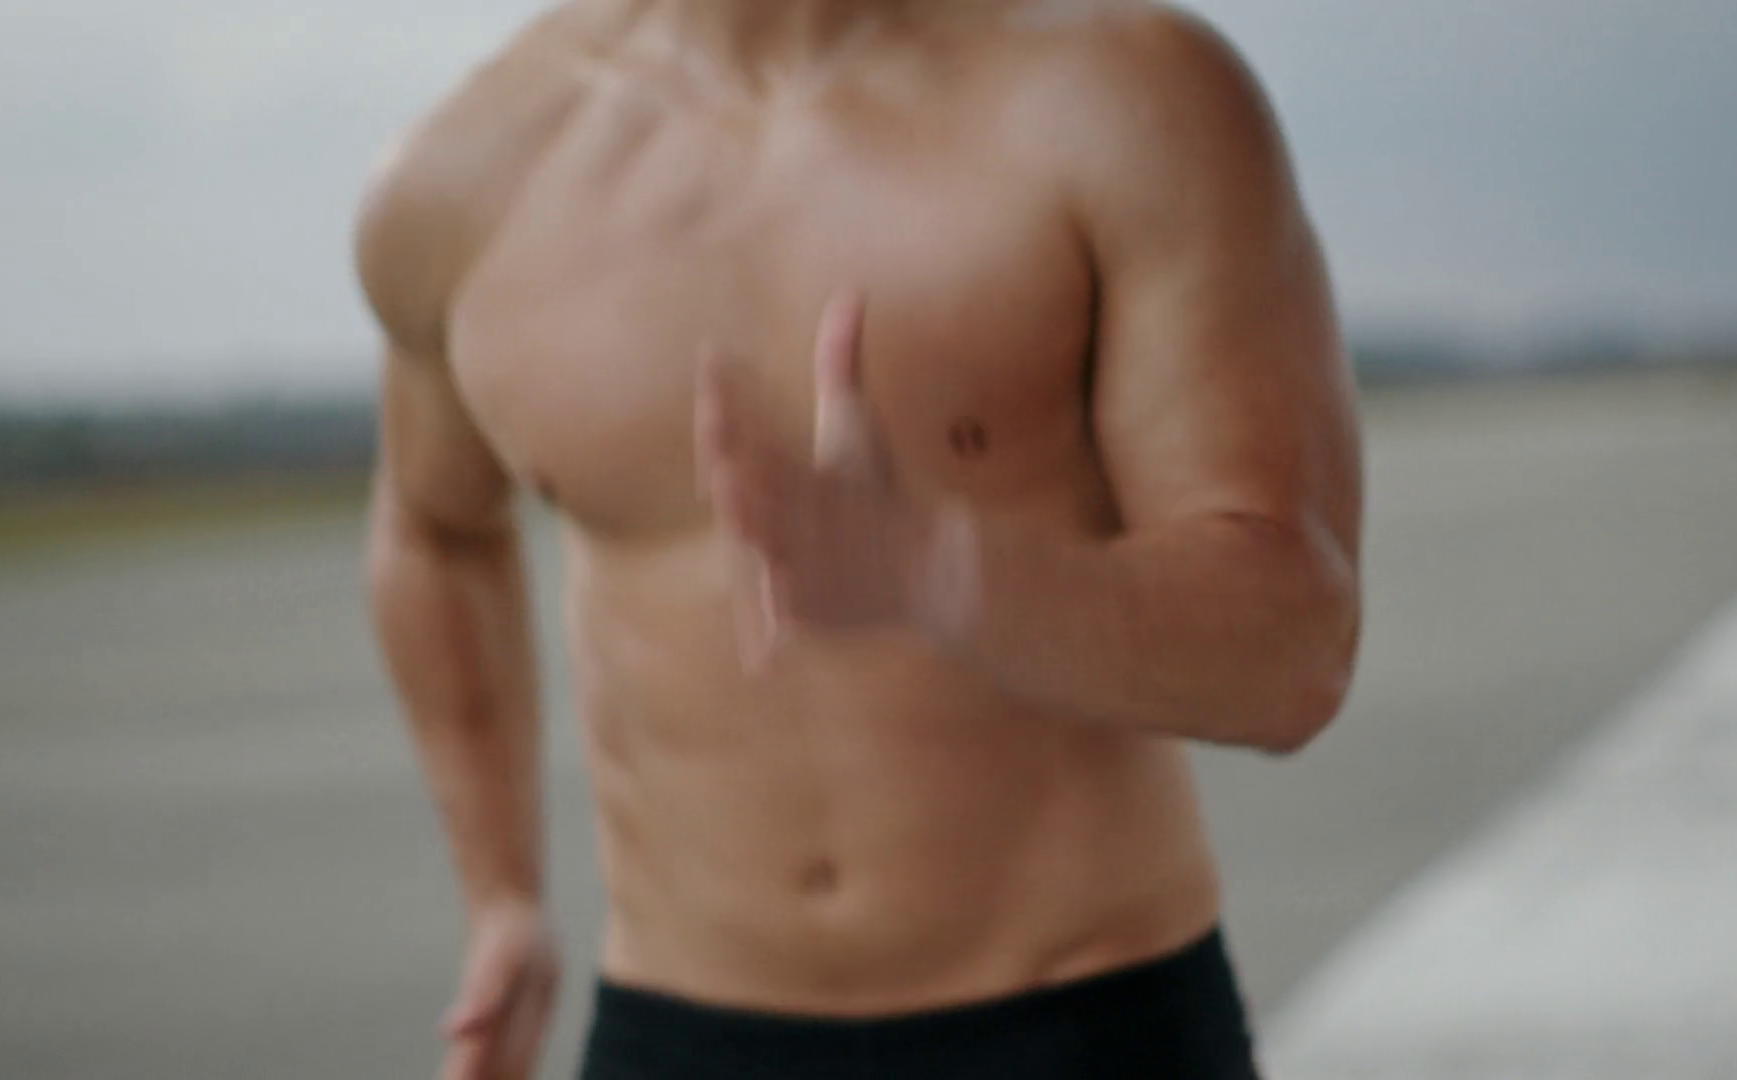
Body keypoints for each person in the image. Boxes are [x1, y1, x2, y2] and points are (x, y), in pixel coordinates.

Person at [355, 0, 1363, 1077]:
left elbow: (1293, 653)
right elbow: (434, 530)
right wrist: (503, 894)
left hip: (1078, 1023)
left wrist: (939, 574)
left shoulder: (1123, 96)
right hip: (680, 1033)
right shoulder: (466, 175)